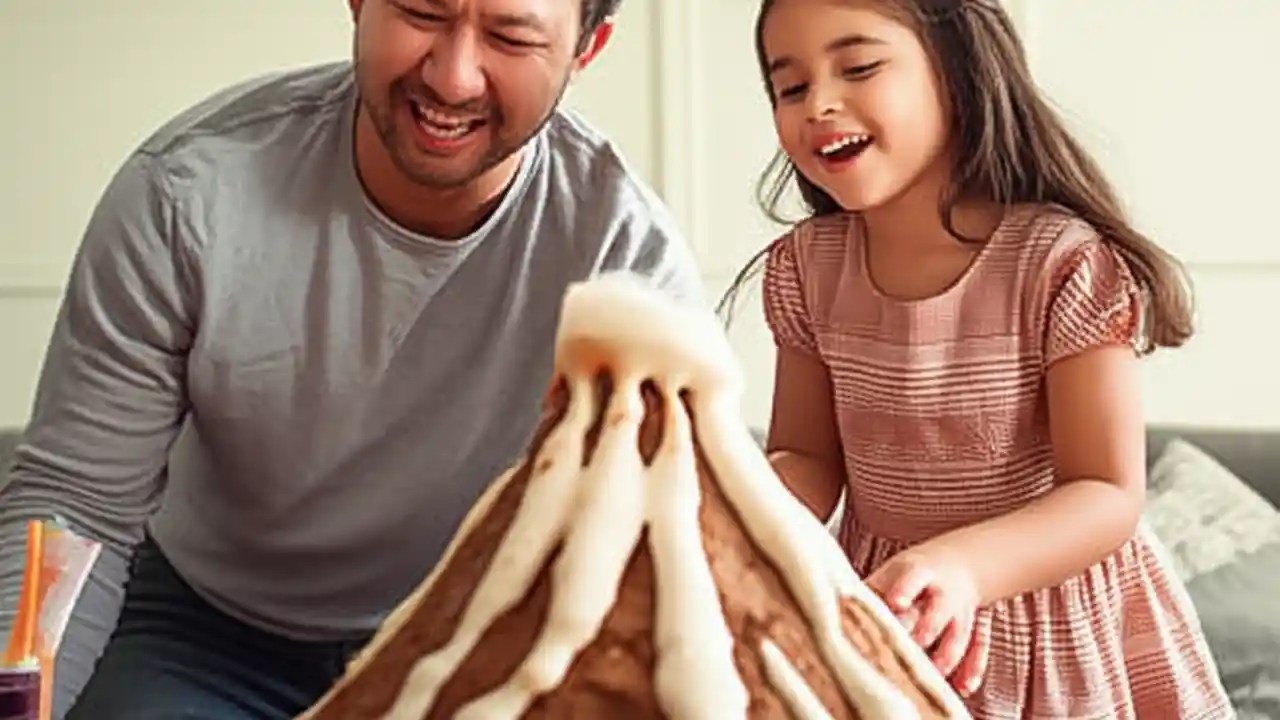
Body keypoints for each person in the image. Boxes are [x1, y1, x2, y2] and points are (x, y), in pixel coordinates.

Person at [0, 0, 702, 717]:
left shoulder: (625, 259)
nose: (454, 78)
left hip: (475, 639)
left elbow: (660, 560)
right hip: (202, 628)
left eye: (510, 35)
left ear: (586, 49)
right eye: (423, 12)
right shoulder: (189, 191)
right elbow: (79, 505)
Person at [727, 0, 1233, 717]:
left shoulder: (1061, 263)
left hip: (1049, 619)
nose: (821, 103)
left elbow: (1106, 493)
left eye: (859, 67)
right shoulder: (806, 269)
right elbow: (806, 457)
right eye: (790, 87)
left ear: (959, 70)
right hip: (887, 608)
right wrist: (730, 519)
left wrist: (961, 567)